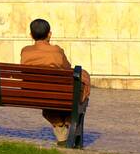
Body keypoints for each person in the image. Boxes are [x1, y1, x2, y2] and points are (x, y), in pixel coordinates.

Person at [20, 18, 91, 146]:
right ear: (49, 34)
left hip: (34, 93)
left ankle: (60, 126)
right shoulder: (56, 51)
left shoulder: (25, 51)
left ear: (31, 35)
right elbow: (67, 68)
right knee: (81, 78)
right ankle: (66, 121)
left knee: (49, 97)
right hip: (56, 92)